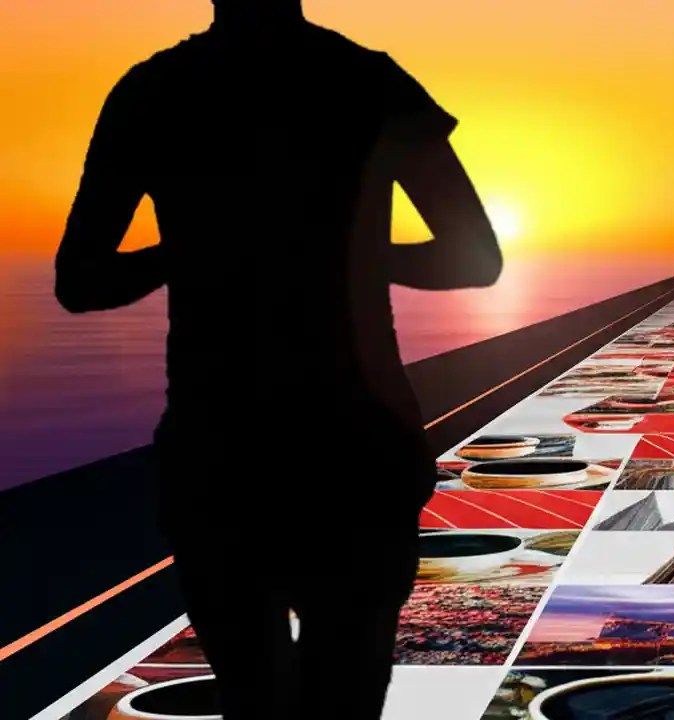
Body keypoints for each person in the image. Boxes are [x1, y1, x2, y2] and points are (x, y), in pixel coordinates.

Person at [53, 0, 503, 717]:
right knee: (345, 694)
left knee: (250, 696)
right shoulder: (369, 81)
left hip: (222, 453)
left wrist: (194, 249)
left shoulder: (153, 89)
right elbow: (476, 257)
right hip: (357, 447)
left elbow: (81, 279)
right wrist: (350, 254)